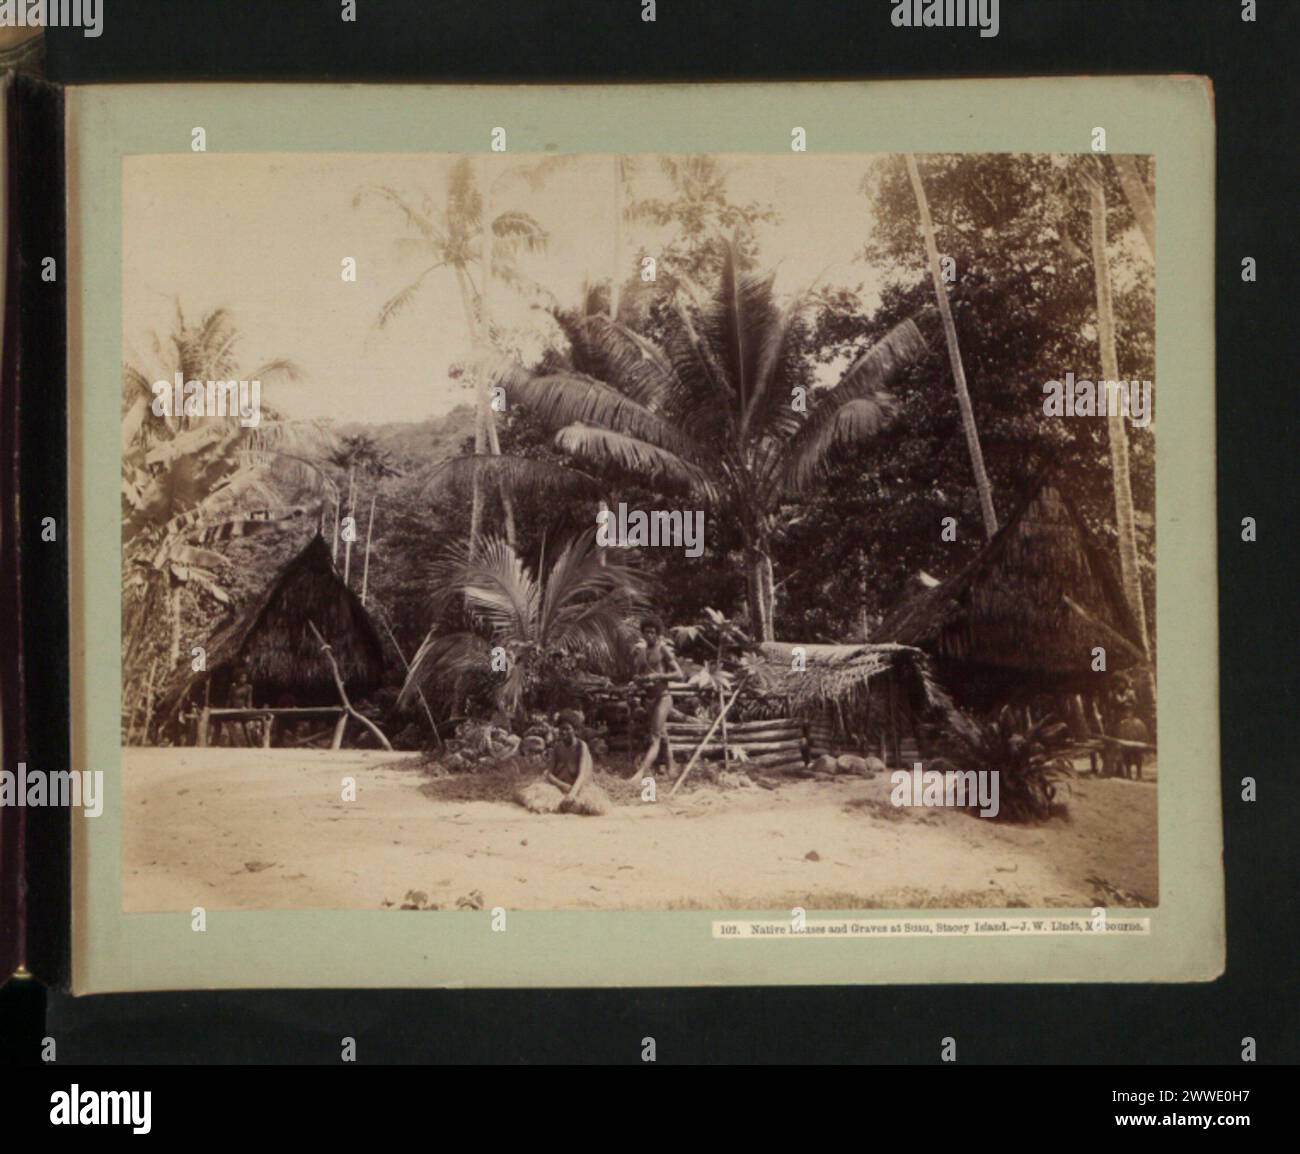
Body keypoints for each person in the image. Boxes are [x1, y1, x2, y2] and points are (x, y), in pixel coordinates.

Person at [516, 710, 610, 816]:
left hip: (577, 788)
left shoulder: (581, 746)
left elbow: (582, 775)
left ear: (575, 730)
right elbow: (549, 773)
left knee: (588, 806)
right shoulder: (557, 747)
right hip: (558, 787)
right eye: (561, 729)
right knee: (527, 796)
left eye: (567, 729)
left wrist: (572, 794)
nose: (563, 732)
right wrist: (562, 785)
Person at [631, 616, 683, 780]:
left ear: (658, 633)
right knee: (663, 735)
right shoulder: (641, 653)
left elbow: (679, 675)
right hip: (650, 699)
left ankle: (640, 774)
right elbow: (637, 677)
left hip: (664, 698)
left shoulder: (663, 650)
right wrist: (639, 681)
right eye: (647, 632)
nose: (650, 635)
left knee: (655, 737)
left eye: (653, 632)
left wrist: (659, 676)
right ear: (643, 633)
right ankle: (671, 767)